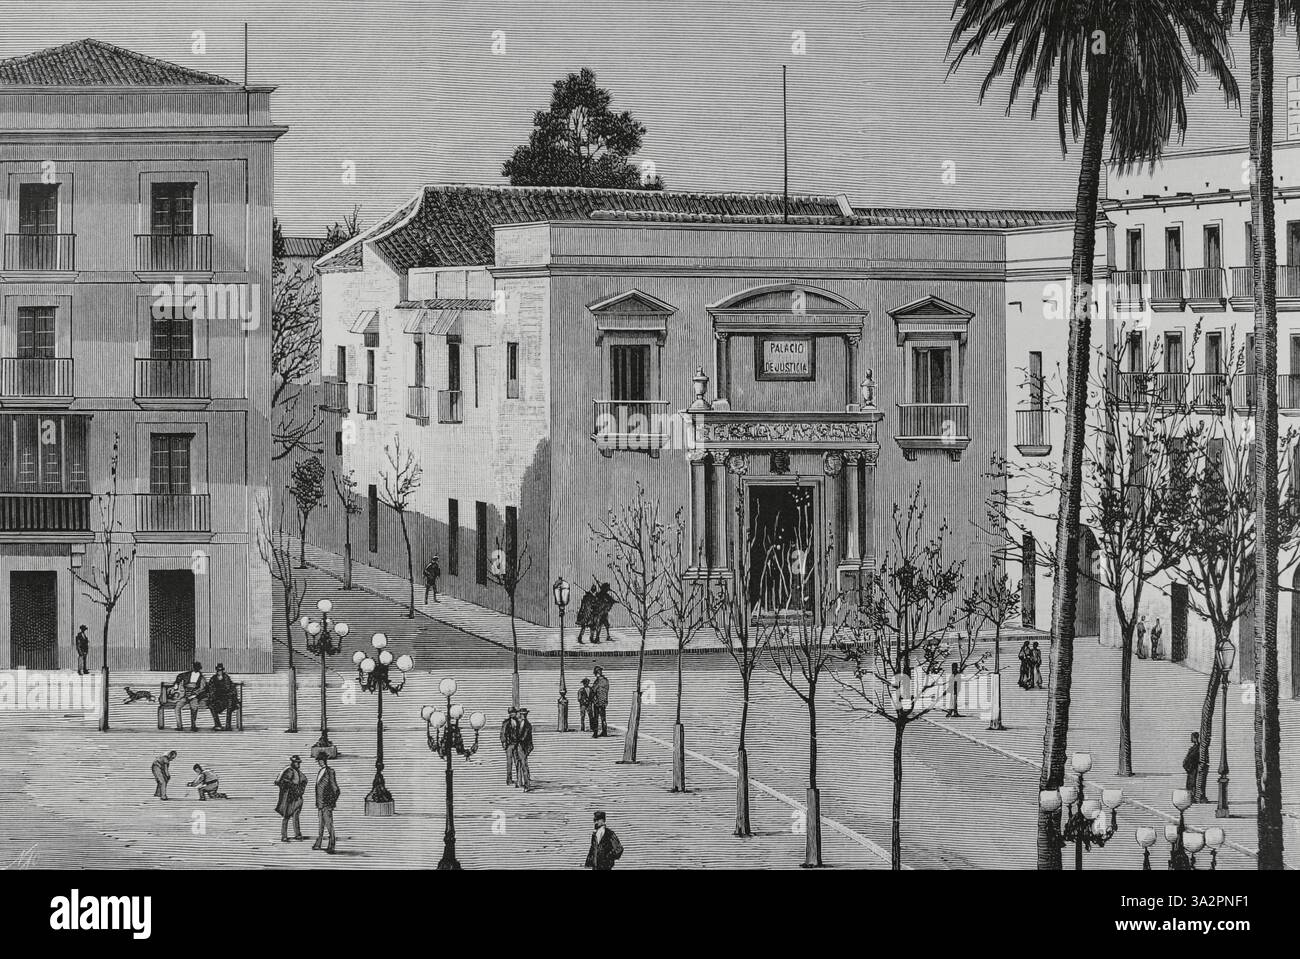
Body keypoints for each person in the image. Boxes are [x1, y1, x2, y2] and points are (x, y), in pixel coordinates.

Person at [275, 755, 308, 842]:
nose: (298, 765)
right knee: (286, 816)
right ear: (293, 763)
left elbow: (304, 780)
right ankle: (284, 835)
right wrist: (292, 786)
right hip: (290, 798)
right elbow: (281, 782)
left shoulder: (299, 773)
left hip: (298, 798)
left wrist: (300, 788)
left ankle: (297, 834)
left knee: (296, 816)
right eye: (297, 763)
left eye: (299, 763)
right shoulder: (288, 771)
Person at [313, 755, 340, 853]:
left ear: (323, 761)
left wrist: (331, 802)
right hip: (320, 804)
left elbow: (336, 789)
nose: (318, 762)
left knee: (329, 825)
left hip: (327, 804)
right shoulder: (320, 771)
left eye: (319, 760)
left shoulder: (330, 772)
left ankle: (331, 845)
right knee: (321, 825)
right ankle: (318, 843)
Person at [173, 661, 205, 732]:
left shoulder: (201, 677)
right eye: (194, 667)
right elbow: (179, 676)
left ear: (199, 668)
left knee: (194, 707)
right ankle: (179, 726)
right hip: (185, 695)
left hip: (194, 697)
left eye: (197, 667)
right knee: (177, 707)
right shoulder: (187, 674)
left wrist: (194, 695)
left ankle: (193, 726)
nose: (195, 669)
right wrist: (176, 683)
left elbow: (202, 688)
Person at [205, 663, 239, 731]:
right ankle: (218, 725)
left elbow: (230, 688)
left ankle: (228, 725)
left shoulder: (226, 678)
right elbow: (210, 689)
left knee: (230, 704)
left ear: (222, 671)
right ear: (216, 671)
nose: (219, 672)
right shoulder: (213, 678)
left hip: (227, 697)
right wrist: (212, 695)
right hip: (217, 698)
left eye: (220, 670)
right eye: (218, 670)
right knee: (211, 705)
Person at [513, 707, 534, 790]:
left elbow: (524, 737)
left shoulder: (527, 725)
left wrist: (516, 739)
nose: (522, 716)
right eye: (521, 714)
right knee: (518, 764)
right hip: (518, 746)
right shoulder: (519, 723)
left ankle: (527, 785)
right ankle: (519, 782)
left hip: (523, 747)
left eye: (523, 714)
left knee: (524, 765)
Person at [500, 707, 517, 785]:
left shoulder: (519, 721)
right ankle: (509, 779)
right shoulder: (506, 722)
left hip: (517, 744)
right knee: (509, 763)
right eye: (511, 713)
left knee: (517, 762)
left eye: (513, 712)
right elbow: (502, 733)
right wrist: (504, 742)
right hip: (509, 744)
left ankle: (519, 779)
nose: (512, 714)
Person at [591, 666, 610, 737]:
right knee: (603, 718)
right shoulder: (606, 680)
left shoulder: (598, 681)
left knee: (596, 718)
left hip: (597, 702)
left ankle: (595, 733)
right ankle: (604, 732)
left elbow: (593, 690)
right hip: (604, 701)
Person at [1182, 732, 1201, 797]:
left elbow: (1193, 757)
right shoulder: (1194, 747)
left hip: (1193, 768)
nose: (1191, 738)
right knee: (1190, 783)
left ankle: (1192, 797)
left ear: (1195, 738)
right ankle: (1191, 796)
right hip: (1190, 769)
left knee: (1192, 783)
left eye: (1192, 737)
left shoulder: (1197, 747)